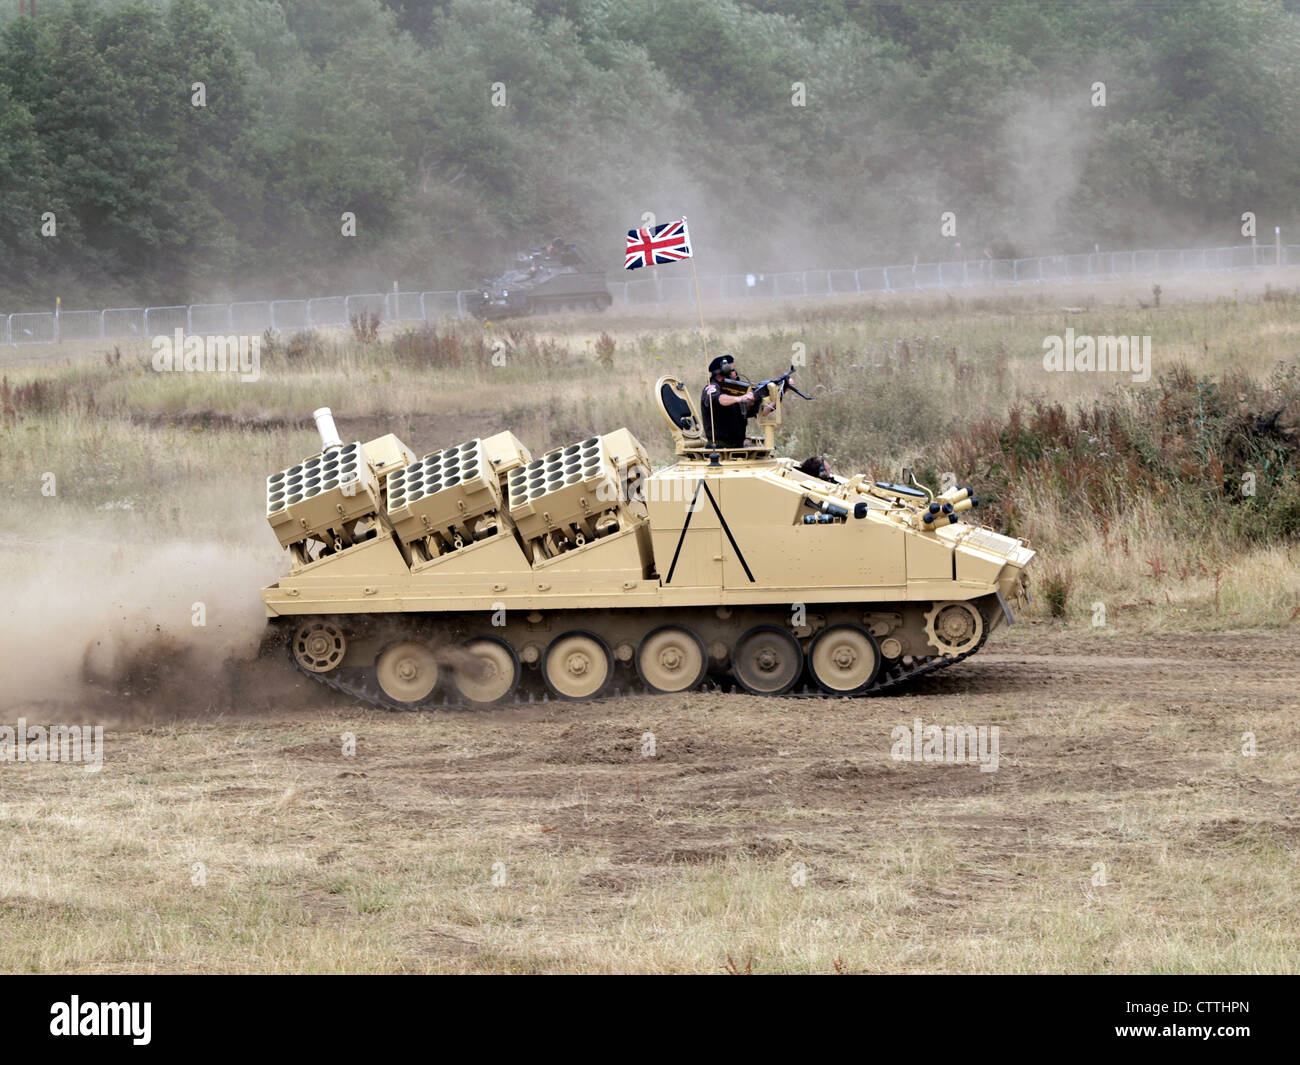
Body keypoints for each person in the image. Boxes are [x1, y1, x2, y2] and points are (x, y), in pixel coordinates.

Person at [700, 354, 774, 448]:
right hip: (719, 448)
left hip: (737, 446)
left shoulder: (734, 391)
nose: (735, 373)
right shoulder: (711, 388)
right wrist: (740, 398)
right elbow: (718, 399)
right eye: (732, 370)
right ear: (723, 371)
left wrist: (776, 396)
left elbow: (761, 412)